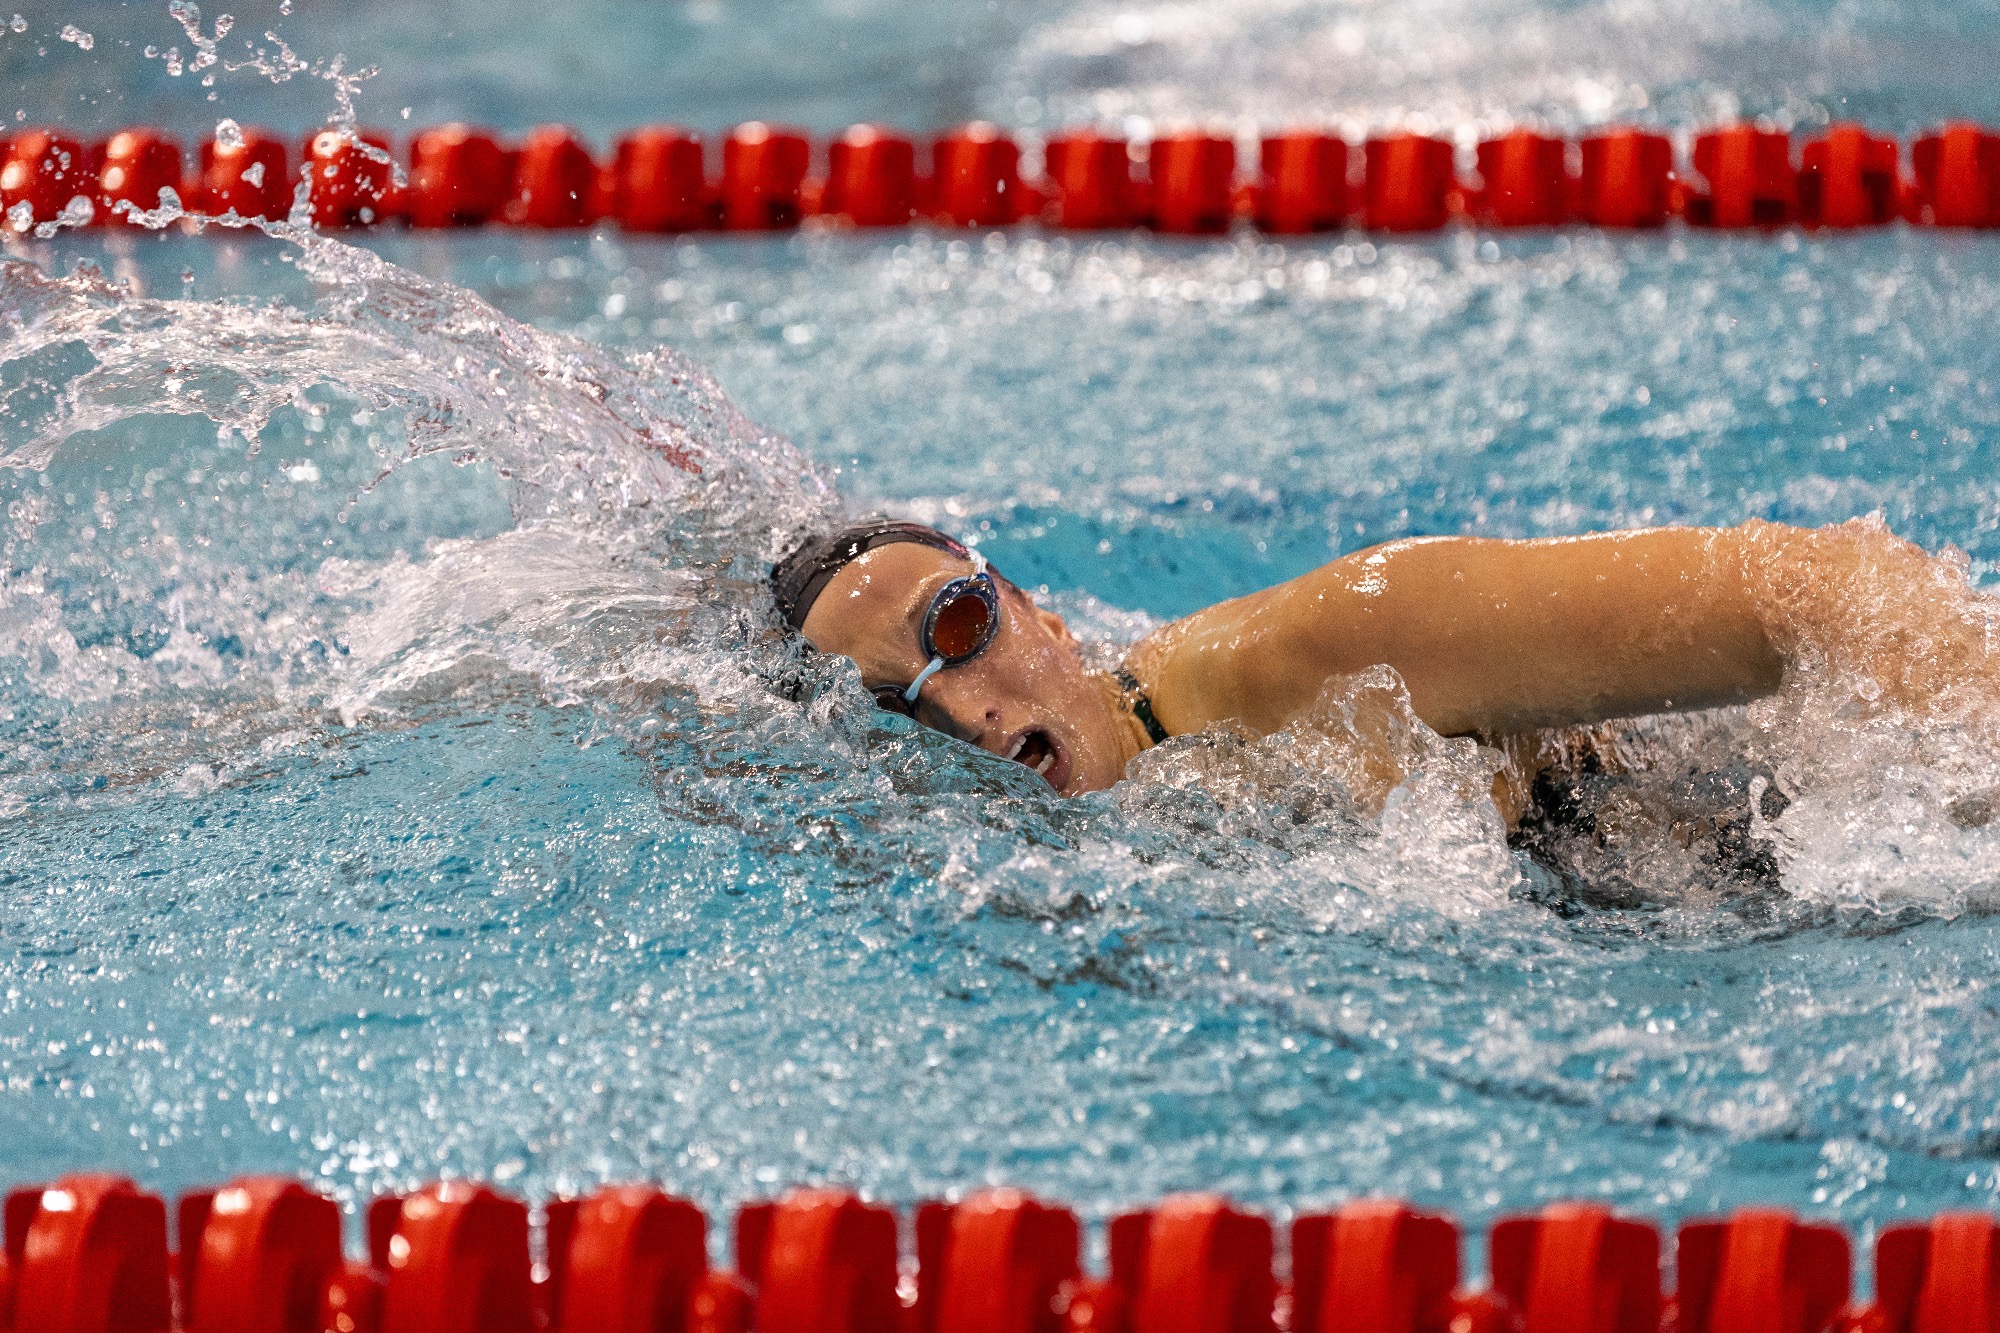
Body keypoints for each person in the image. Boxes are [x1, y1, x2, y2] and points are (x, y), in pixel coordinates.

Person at [770, 516, 1996, 811]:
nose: (970, 714)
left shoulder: (1339, 643)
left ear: (1039, 614)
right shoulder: (1149, 820)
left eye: (953, 631)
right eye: (897, 706)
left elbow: (1837, 587)